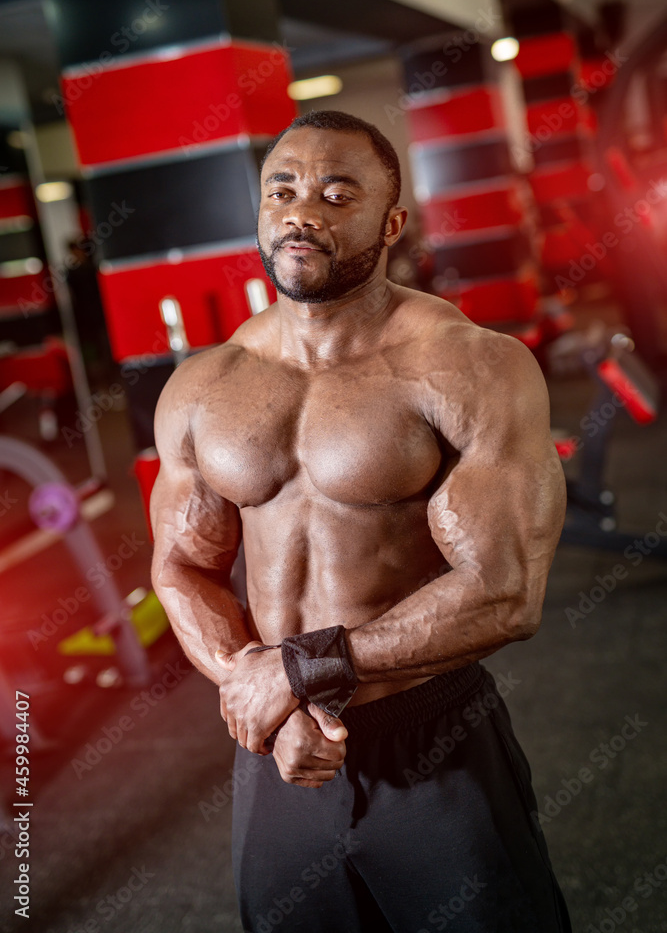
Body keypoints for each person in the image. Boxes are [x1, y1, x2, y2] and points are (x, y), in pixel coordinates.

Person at [150, 110, 572, 932]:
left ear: (391, 223)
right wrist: (259, 691)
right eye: (283, 189)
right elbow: (180, 566)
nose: (302, 210)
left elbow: (504, 591)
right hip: (275, 752)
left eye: (336, 194)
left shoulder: (468, 366)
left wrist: (300, 672)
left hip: (431, 743)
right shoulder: (204, 384)